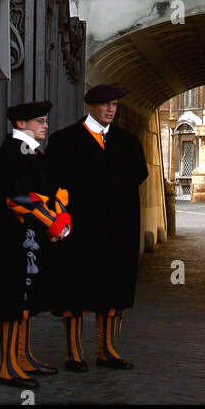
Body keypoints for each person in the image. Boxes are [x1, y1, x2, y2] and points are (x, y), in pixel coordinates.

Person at [45, 83, 149, 372]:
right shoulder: (64, 141)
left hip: (118, 229)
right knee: (75, 289)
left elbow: (139, 175)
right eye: (105, 105)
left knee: (113, 288)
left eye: (115, 105)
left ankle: (107, 349)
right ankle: (74, 352)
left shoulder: (128, 142)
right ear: (90, 105)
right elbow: (53, 183)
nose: (111, 110)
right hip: (81, 230)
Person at [0, 100, 71, 388]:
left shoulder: (32, 153)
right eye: (39, 121)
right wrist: (52, 224)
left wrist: (60, 216)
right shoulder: (11, 154)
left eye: (44, 121)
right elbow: (18, 200)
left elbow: (51, 190)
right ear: (21, 124)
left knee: (25, 300)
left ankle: (23, 356)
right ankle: (7, 368)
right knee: (11, 301)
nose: (45, 125)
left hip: (29, 241)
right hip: (11, 241)